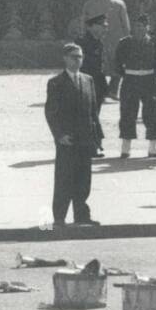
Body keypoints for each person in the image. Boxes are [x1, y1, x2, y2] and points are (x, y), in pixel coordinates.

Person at [45, 42, 102, 226]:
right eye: (74, 57)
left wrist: (97, 137)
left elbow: (93, 111)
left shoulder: (88, 80)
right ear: (65, 59)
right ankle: (59, 217)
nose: (78, 61)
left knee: (83, 179)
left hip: (85, 138)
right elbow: (51, 112)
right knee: (64, 179)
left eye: (80, 57)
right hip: (67, 139)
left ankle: (81, 215)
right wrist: (59, 135)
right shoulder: (56, 83)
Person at [112, 14, 156, 158]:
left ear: (148, 28)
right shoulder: (125, 43)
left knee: (152, 114)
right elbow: (117, 64)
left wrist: (151, 75)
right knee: (127, 113)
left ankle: (152, 148)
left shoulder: (155, 43)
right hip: (130, 81)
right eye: (136, 26)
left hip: (149, 81)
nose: (138, 29)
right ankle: (126, 149)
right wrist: (128, 74)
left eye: (142, 26)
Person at [81, 0, 130, 99]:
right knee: (118, 65)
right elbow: (125, 24)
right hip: (116, 40)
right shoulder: (119, 4)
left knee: (96, 65)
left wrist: (84, 37)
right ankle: (113, 90)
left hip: (96, 39)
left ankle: (99, 91)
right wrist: (127, 39)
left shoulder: (89, 4)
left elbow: (84, 23)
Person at [76, 14, 110, 156]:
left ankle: (93, 146)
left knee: (94, 115)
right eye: (102, 25)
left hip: (97, 84)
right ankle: (88, 147)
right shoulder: (81, 43)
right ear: (91, 27)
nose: (105, 27)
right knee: (86, 116)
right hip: (85, 84)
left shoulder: (98, 42)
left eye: (105, 25)